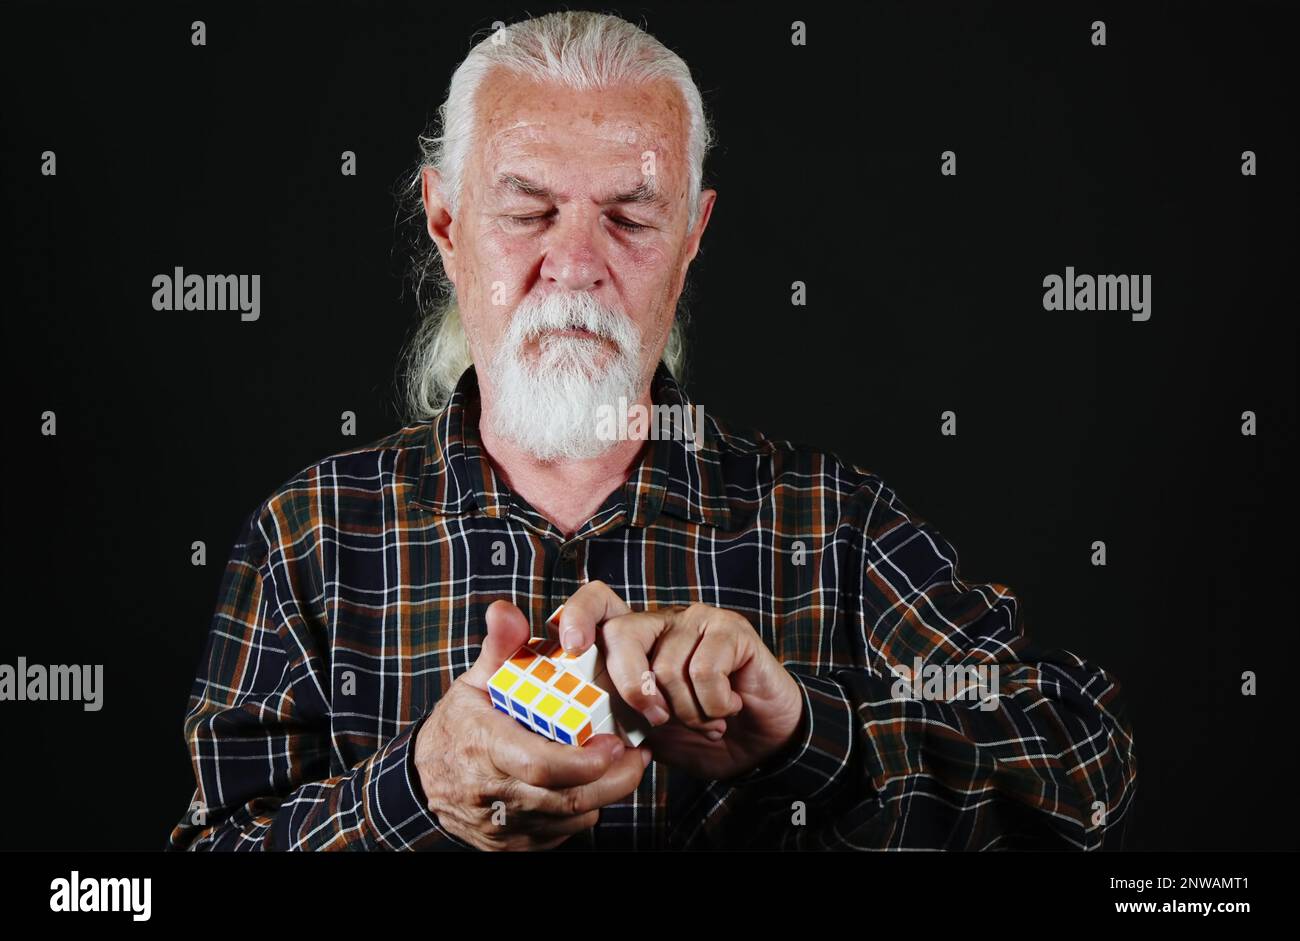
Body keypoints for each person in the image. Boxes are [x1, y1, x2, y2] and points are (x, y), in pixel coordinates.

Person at [167, 10, 1136, 851]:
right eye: (528, 210)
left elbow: (1082, 769)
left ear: (692, 238)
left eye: (630, 217)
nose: (576, 264)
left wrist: (802, 732)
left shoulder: (833, 527)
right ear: (446, 223)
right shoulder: (312, 537)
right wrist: (415, 795)